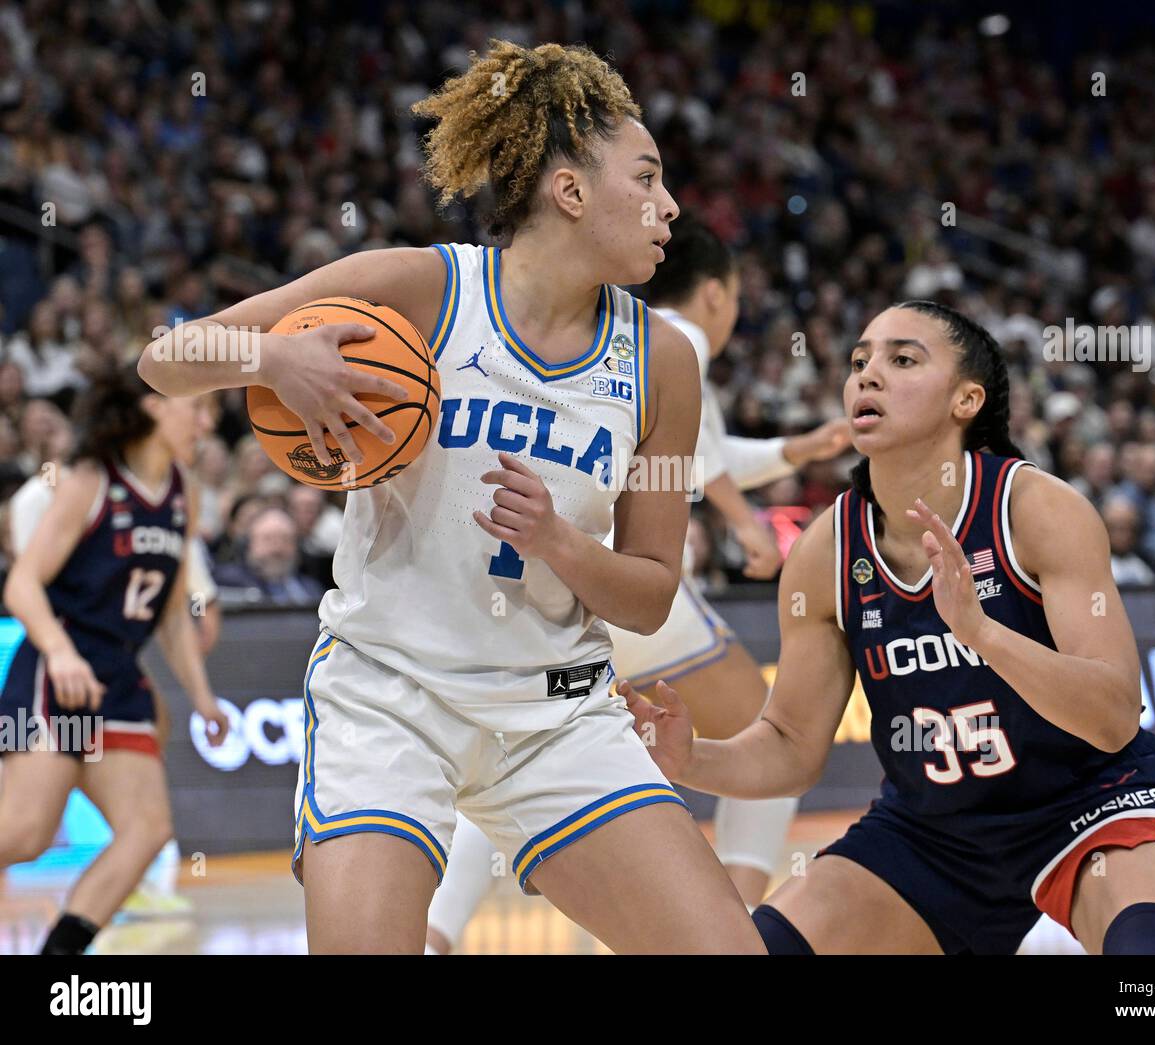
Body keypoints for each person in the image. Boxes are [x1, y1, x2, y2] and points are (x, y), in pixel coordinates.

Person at [137, 40, 765, 955]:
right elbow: (166, 359)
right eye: (648, 177)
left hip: (557, 709)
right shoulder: (423, 291)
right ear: (570, 192)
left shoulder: (662, 360)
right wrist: (273, 359)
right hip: (391, 695)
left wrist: (561, 544)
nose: (671, 206)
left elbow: (650, 590)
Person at [624, 300, 1155, 955]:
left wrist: (983, 633)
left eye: (902, 359)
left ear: (965, 400)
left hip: (1086, 802)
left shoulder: (1038, 510)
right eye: (859, 360)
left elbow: (1115, 716)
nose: (868, 374)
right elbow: (790, 747)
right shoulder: (826, 551)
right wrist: (688, 757)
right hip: (934, 831)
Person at [424, 215, 850, 952]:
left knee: (512, 749)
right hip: (621, 577)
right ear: (716, 292)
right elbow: (695, 465)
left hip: (561, 582)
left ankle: (437, 931)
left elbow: (692, 452)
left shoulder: (635, 334)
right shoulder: (672, 340)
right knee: (772, 734)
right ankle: (742, 914)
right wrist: (746, 524)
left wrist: (792, 448)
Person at [0, 363, 228, 954]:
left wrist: (201, 697)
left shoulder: (185, 491)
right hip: (57, 669)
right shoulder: (88, 480)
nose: (207, 424)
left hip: (119, 679)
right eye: (197, 409)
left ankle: (60, 957)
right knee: (25, 833)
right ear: (155, 405)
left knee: (148, 829)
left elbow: (175, 614)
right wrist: (59, 651)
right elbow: (22, 585)